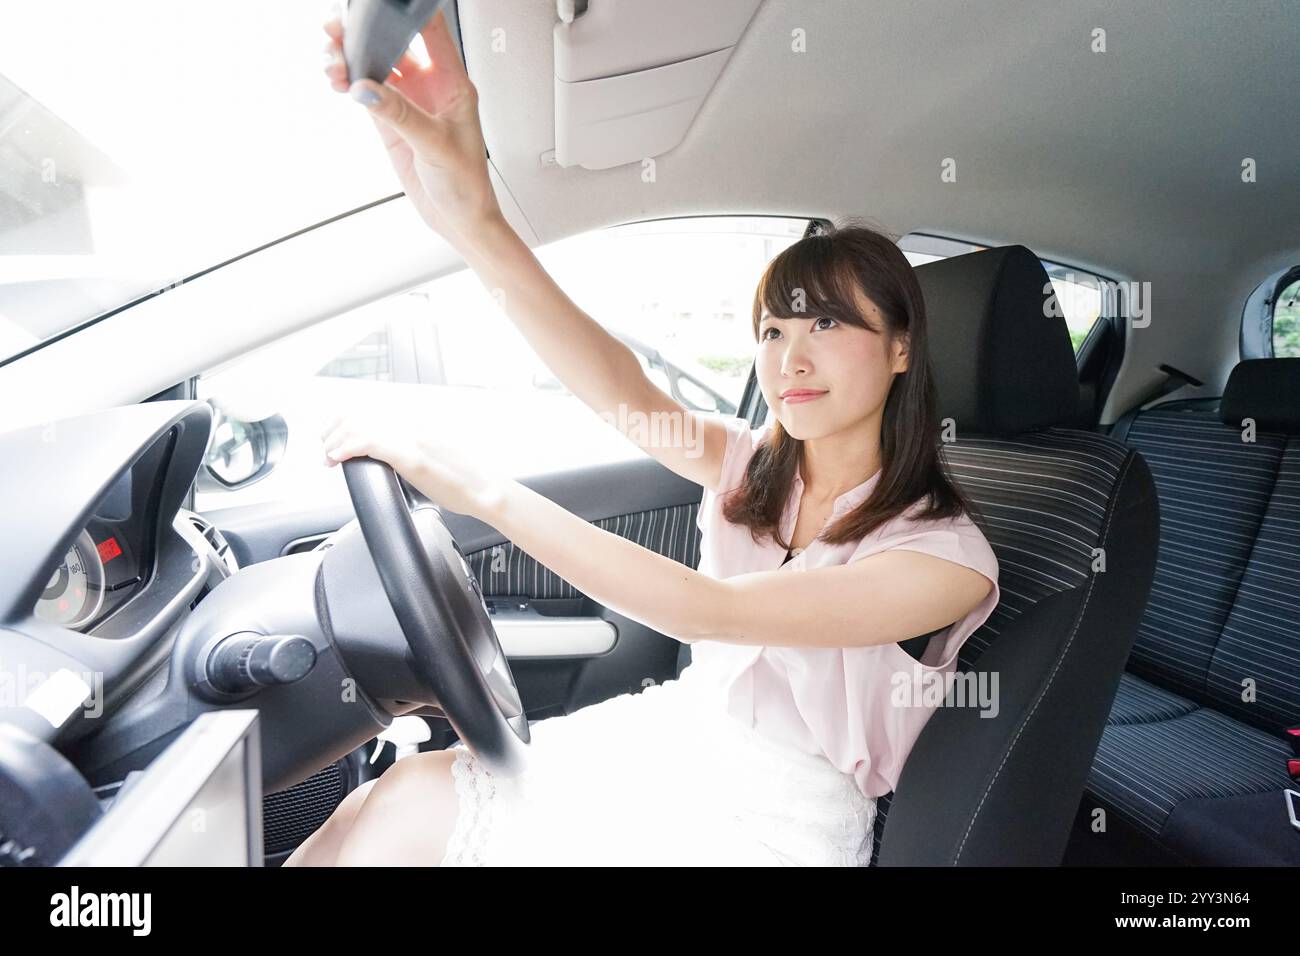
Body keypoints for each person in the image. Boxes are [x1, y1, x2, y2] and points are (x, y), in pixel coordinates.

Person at [283, 8, 999, 867]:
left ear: (901, 347)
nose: (790, 358)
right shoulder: (756, 468)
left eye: (828, 326)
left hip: (773, 825)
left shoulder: (946, 560)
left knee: (403, 824)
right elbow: (621, 388)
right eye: (773, 332)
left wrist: (473, 485)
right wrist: (474, 219)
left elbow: (714, 611)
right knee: (381, 797)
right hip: (677, 743)